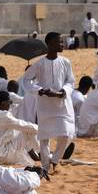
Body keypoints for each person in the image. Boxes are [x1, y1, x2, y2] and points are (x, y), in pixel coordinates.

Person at [30, 32, 76, 165]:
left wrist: (63, 91)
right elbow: (26, 81)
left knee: (67, 133)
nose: (62, 44)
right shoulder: (39, 64)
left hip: (62, 103)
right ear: (50, 44)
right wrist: (40, 90)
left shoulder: (66, 62)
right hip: (45, 105)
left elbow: (71, 81)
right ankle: (45, 165)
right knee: (44, 136)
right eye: (59, 42)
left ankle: (55, 160)